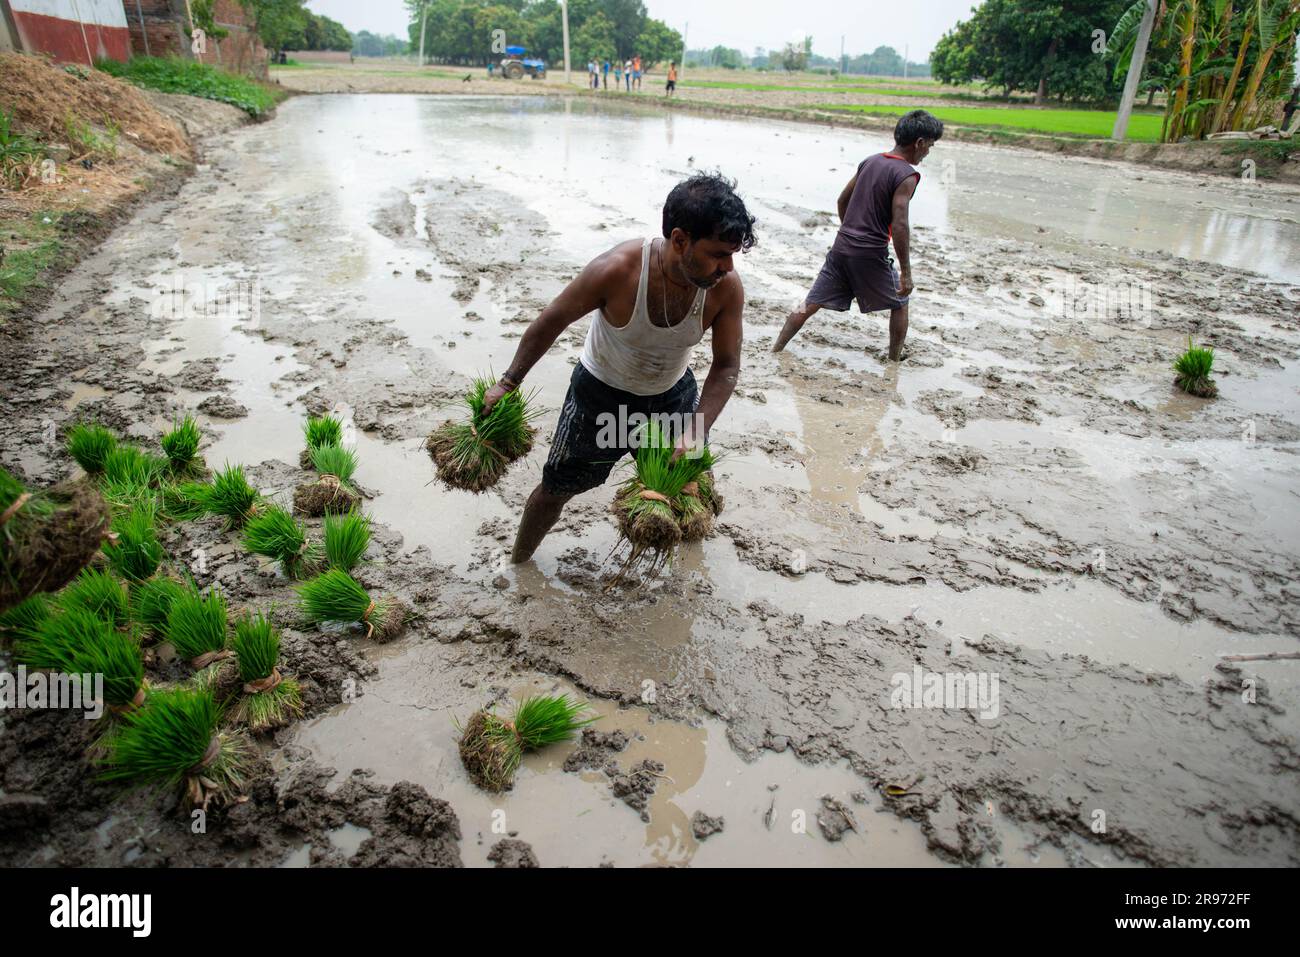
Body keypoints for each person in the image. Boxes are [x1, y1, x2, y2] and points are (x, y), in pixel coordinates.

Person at [482, 173, 757, 563]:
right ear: (680, 240)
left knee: (689, 488)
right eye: (717, 253)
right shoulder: (617, 270)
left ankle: (689, 570)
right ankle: (519, 562)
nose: (726, 267)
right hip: (600, 395)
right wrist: (508, 382)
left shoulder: (725, 288)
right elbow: (552, 320)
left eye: (732, 255)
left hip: (671, 398)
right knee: (557, 487)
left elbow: (727, 366)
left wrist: (696, 428)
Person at [772, 109, 943, 361]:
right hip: (870, 252)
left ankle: (776, 349)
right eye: (929, 145)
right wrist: (906, 272)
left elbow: (842, 199)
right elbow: (900, 224)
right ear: (919, 143)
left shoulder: (870, 161)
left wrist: (849, 230)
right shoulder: (906, 175)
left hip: (842, 246)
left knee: (810, 303)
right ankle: (894, 361)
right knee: (901, 301)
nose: (928, 152)